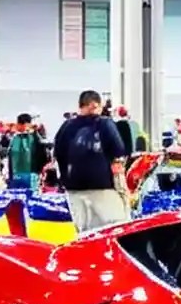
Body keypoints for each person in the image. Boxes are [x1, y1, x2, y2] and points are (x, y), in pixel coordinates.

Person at [54, 90, 129, 232]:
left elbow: (58, 153)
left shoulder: (66, 127)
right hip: (102, 186)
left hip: (73, 189)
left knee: (83, 232)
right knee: (114, 229)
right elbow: (118, 150)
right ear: (95, 105)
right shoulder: (105, 124)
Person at [6, 113, 49, 190]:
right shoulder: (35, 137)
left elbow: (10, 158)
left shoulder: (16, 138)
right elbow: (44, 156)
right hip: (31, 175)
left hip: (18, 176)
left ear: (20, 124)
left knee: (16, 198)